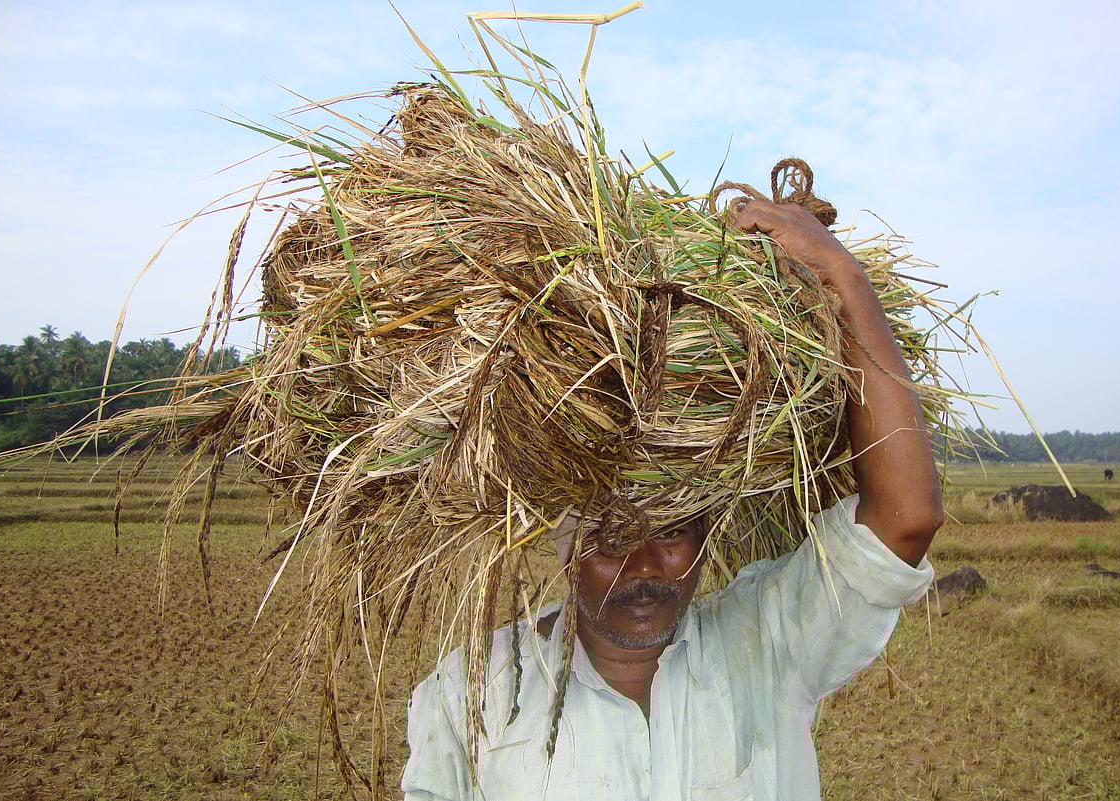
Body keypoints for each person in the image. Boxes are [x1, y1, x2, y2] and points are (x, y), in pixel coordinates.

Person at [401, 198, 943, 800]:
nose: (643, 569)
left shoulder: (765, 646)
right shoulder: (471, 695)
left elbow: (905, 521)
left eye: (670, 532)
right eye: (608, 540)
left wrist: (841, 276)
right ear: (559, 542)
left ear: (706, 534)